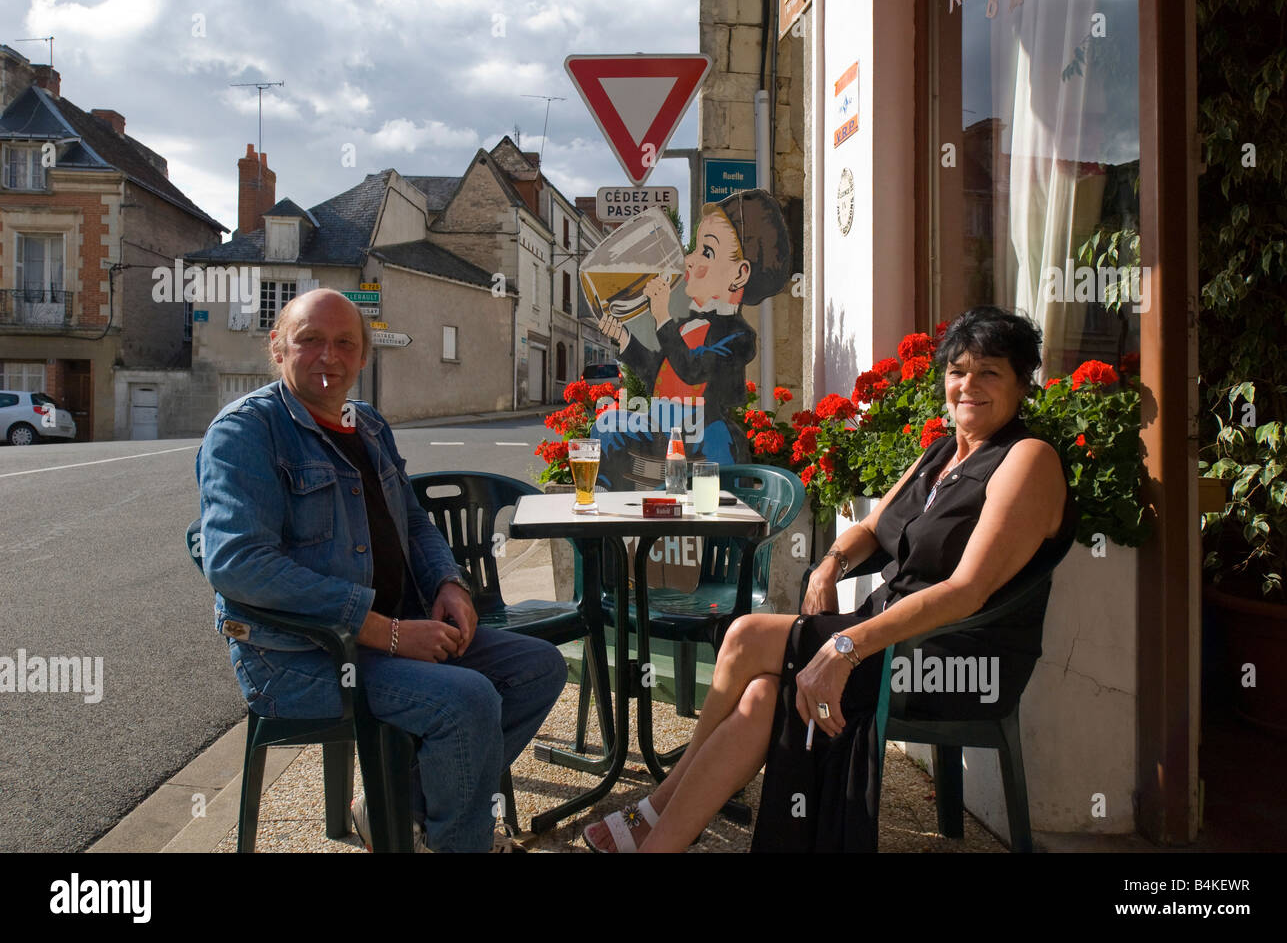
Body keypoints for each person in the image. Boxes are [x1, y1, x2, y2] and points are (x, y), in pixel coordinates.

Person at [583, 306, 1075, 852]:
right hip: (892, 638)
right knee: (762, 696)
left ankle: (659, 806)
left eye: (990, 373)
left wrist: (845, 645)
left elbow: (967, 591)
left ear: (1021, 384)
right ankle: (660, 839)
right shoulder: (942, 453)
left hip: (955, 660)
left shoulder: (1026, 459)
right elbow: (871, 527)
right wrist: (830, 566)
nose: (969, 385)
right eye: (958, 370)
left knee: (746, 635)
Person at [195, 288, 568, 852]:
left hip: (394, 633)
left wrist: (449, 584)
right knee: (467, 702)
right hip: (301, 659)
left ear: (364, 357)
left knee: (539, 668)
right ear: (277, 348)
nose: (329, 356)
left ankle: (399, 807)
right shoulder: (246, 431)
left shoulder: (366, 424)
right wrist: (385, 632)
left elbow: (414, 521)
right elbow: (238, 563)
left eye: (345, 343)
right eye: (310, 340)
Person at [594, 189, 791, 484]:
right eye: (696, 248)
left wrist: (662, 316)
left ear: (739, 274)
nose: (688, 259)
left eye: (706, 252)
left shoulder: (738, 336)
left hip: (705, 427)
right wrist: (624, 338)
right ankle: (609, 522)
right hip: (664, 426)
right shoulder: (685, 325)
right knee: (608, 425)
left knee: (721, 447)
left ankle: (725, 521)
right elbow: (656, 375)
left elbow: (693, 370)